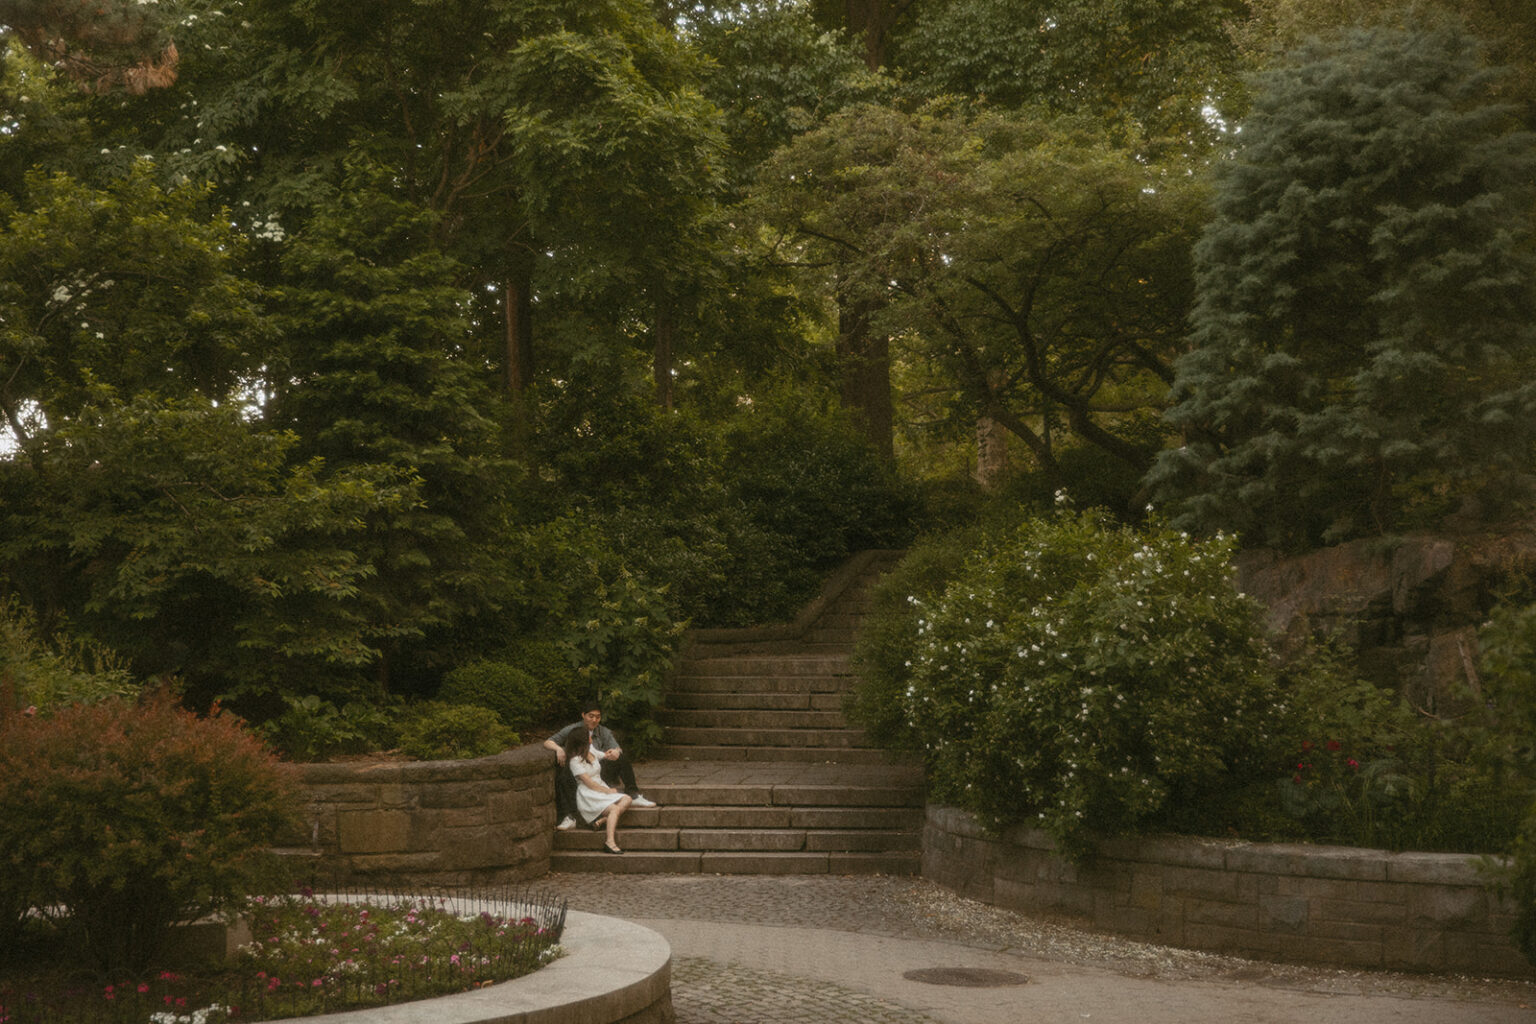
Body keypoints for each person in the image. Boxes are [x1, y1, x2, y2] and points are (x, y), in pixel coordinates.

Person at [543, 701, 655, 831]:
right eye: (591, 716)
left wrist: (615, 752)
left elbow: (616, 748)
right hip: (579, 774)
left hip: (599, 770)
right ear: (583, 715)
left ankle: (633, 793)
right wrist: (558, 749)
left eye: (598, 716)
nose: (594, 720)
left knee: (621, 758)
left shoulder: (604, 731)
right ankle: (569, 816)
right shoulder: (574, 730)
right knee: (563, 774)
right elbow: (548, 741)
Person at [563, 730, 631, 854]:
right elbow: (589, 783)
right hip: (589, 794)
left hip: (600, 788)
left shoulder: (591, 750)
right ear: (584, 740)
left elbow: (603, 755)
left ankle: (602, 820)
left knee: (627, 798)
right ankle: (609, 842)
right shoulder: (575, 761)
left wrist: (611, 753)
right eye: (588, 736)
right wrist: (608, 791)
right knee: (614, 809)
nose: (591, 738)